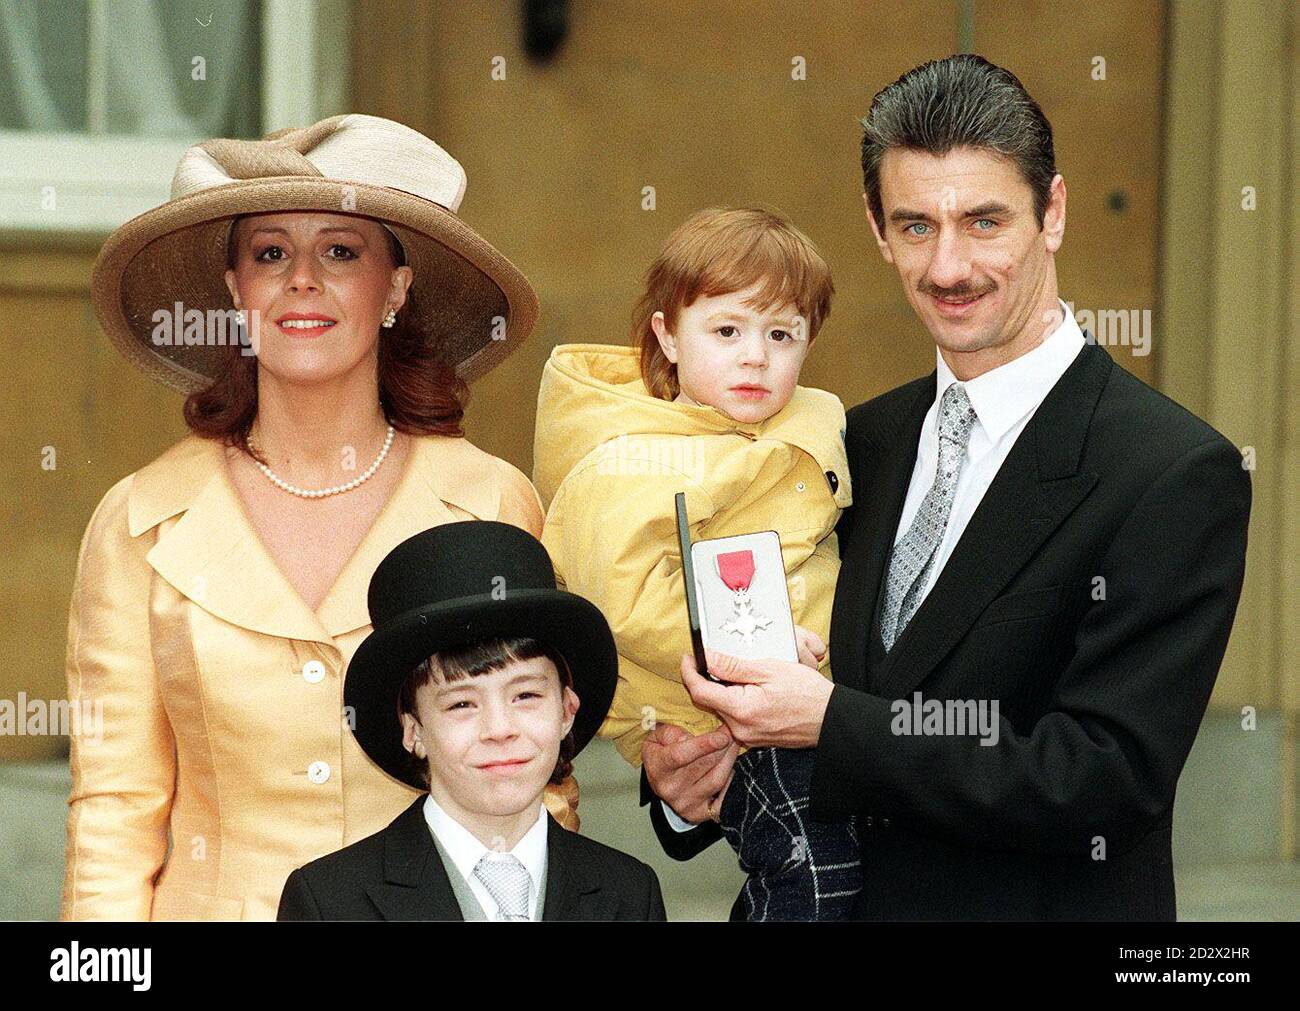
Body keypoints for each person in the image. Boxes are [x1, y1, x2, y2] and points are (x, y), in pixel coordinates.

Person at [642, 55, 1251, 921]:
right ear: (877, 228)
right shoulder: (848, 440)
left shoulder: (1172, 473)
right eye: (916, 225)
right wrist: (685, 779)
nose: (949, 266)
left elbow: (1104, 776)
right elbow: (789, 687)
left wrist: (833, 723)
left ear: (1056, 213)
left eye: (985, 221)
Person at [62, 114, 578, 921]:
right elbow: (112, 816)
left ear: (397, 289)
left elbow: (540, 790)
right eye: (270, 253)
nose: (302, 280)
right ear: (235, 290)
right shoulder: (141, 521)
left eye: (340, 251)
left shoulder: (491, 502)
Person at [532, 207, 861, 919]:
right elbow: (624, 602)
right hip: (714, 721)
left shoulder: (819, 432)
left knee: (829, 870)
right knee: (813, 875)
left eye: (781, 334)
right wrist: (761, 646)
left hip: (832, 716)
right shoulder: (625, 459)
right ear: (667, 336)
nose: (755, 355)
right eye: (727, 330)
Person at [277, 521, 666, 921]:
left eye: (526, 696)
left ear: (567, 710)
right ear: (413, 729)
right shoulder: (331, 902)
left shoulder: (630, 893)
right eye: (461, 705)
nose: (499, 729)